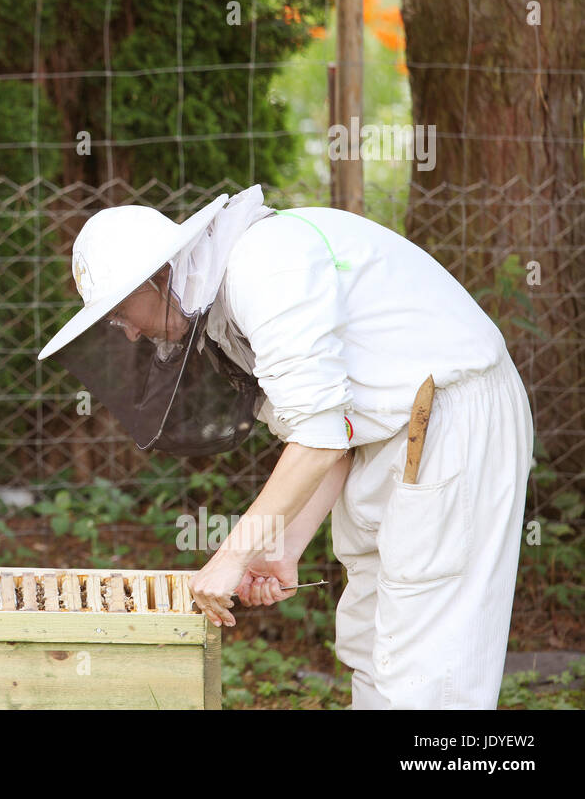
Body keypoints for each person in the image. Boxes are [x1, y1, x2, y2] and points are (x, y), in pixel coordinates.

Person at [38, 184, 534, 709]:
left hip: (452, 417)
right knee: (370, 639)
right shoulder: (223, 308)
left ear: (156, 276)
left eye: (119, 313)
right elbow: (331, 438)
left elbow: (320, 439)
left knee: (427, 663)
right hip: (391, 430)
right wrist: (282, 548)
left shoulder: (264, 268)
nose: (129, 335)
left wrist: (233, 556)